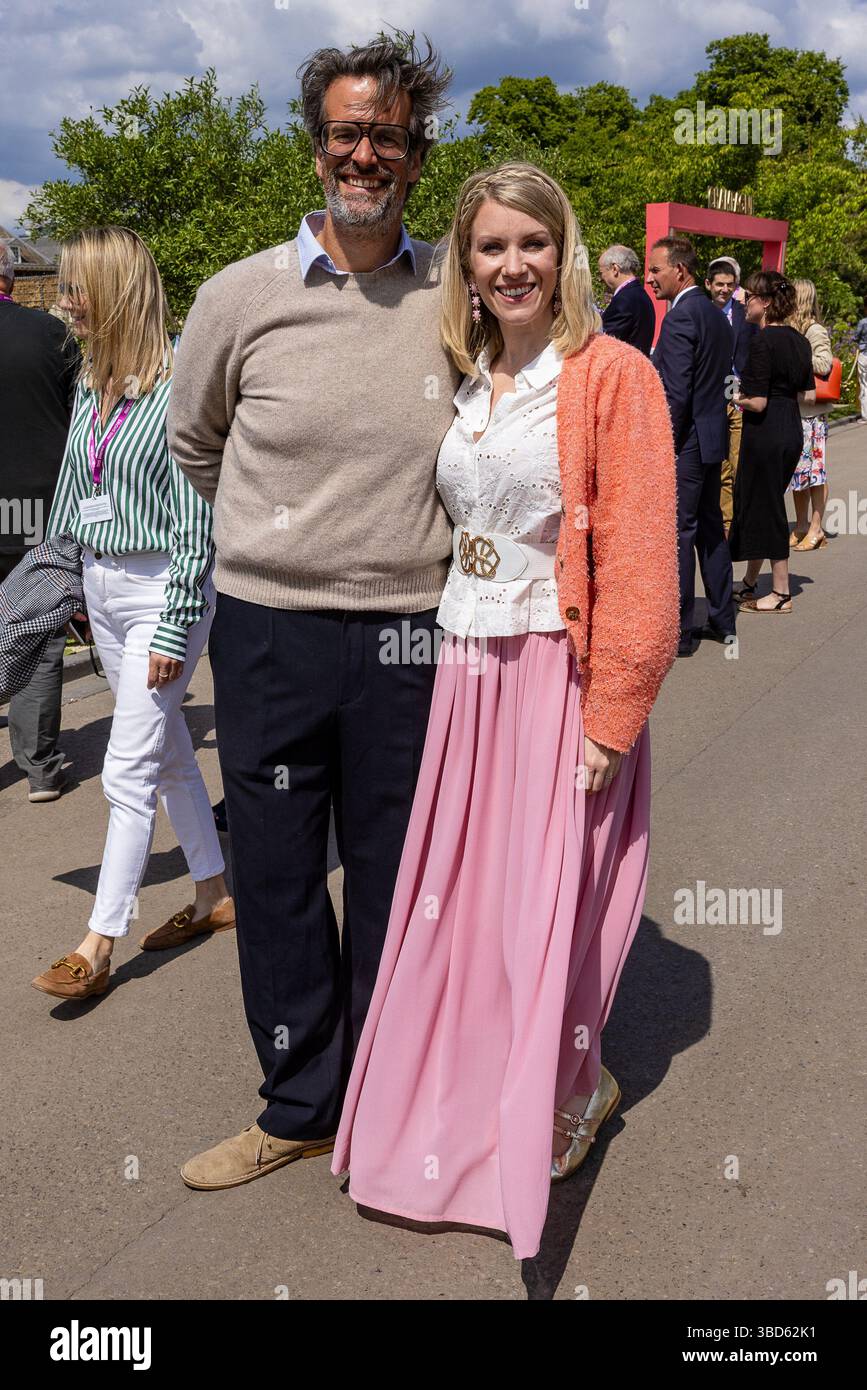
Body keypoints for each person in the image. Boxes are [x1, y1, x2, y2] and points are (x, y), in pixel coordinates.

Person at [331, 162, 679, 1262]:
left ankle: (571, 1085)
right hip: (465, 668)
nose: (512, 264)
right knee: (465, 903)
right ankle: (462, 1093)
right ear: (467, 266)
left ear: (563, 250)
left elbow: (639, 557)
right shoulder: (469, 373)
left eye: (532, 242)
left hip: (558, 673)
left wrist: (613, 712)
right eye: (491, 247)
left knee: (546, 898)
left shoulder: (611, 375)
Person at [167, 36, 462, 1190]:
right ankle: (298, 1103)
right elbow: (195, 442)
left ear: (415, 152)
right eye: (345, 131)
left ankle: (386, 1094)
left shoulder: (453, 293)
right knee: (281, 875)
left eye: (386, 133)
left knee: (397, 873)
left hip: (413, 633)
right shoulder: (240, 295)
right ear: (316, 143)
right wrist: (277, 538)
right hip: (270, 631)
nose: (363, 153)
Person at [31, 226, 232, 1002]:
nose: (66, 301)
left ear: (116, 294)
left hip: (162, 593)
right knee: (171, 751)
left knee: (127, 764)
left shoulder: (180, 385)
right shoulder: (92, 380)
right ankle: (214, 894)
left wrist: (179, 620)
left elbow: (196, 519)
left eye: (78, 288)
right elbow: (72, 487)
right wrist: (64, 576)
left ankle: (99, 939)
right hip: (104, 587)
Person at [0, 242, 80, 801]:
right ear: (11, 273)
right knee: (39, 631)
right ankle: (39, 767)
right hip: (35, 502)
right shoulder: (52, 336)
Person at [648, 237, 735, 653]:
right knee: (710, 528)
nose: (650, 278)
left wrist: (662, 441)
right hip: (711, 436)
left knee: (681, 532)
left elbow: (676, 393)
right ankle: (722, 618)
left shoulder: (682, 316)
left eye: (656, 270)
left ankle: (680, 630)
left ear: (679, 270)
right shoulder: (717, 316)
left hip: (687, 442)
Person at [729, 271, 815, 613]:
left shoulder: (762, 342)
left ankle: (780, 592)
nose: (742, 301)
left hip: (764, 431)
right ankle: (751, 581)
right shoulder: (799, 341)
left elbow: (758, 401)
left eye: (748, 296)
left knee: (767, 507)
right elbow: (805, 393)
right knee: (764, 503)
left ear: (764, 303)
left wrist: (734, 397)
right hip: (790, 427)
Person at [705, 257, 757, 535]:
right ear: (709, 285)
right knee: (720, 464)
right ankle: (726, 523)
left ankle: (741, 522)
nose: (724, 289)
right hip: (713, 397)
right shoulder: (702, 313)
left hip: (739, 395)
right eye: (719, 285)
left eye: (729, 285)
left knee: (739, 463)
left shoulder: (744, 315)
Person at [788, 280, 834, 551]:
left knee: (815, 473)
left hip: (812, 414)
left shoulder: (814, 329)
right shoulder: (793, 328)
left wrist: (795, 358)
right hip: (796, 409)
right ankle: (801, 524)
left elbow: (824, 363)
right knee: (797, 473)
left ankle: (816, 528)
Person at [598, 244, 655, 355]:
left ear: (615, 269)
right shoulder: (641, 295)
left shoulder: (623, 300)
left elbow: (603, 344)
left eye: (601, 273)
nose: (600, 279)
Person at [855, 299, 867, 420]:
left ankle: (865, 415)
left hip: (864, 355)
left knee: (864, 384)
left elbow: (855, 337)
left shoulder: (863, 322)